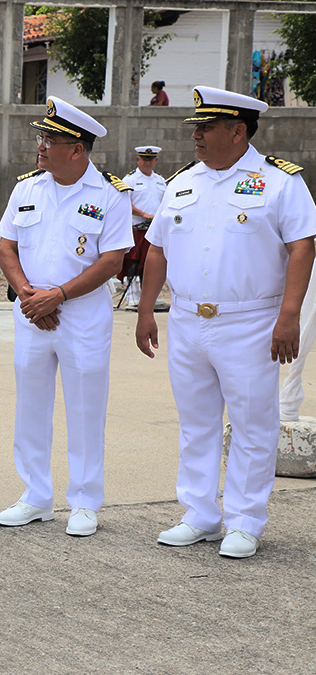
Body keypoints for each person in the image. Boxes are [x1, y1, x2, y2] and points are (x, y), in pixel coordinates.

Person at [136, 86, 316, 559]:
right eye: (195, 127)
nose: (195, 136)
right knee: (196, 424)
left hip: (252, 321)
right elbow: (157, 249)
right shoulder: (183, 182)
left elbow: (302, 246)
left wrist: (289, 316)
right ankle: (200, 515)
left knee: (253, 425)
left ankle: (244, 520)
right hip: (189, 319)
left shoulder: (279, 181)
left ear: (238, 132)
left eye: (206, 128)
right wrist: (145, 310)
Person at [0, 97, 133, 537]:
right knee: (30, 407)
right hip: (33, 314)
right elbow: (6, 248)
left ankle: (85, 502)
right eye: (42, 136)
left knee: (86, 409)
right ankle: (35, 496)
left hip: (81, 318)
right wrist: (28, 295)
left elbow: (113, 260)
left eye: (50, 138)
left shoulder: (110, 195)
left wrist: (59, 296)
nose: (41, 145)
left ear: (77, 148)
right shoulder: (27, 188)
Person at [119, 145, 167, 308]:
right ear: (137, 160)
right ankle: (132, 296)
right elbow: (125, 204)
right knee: (132, 262)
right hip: (136, 228)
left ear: (156, 161)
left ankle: (149, 298)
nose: (148, 163)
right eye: (144, 160)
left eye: (151, 160)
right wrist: (144, 214)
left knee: (151, 264)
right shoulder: (130, 180)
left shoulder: (160, 181)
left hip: (154, 229)